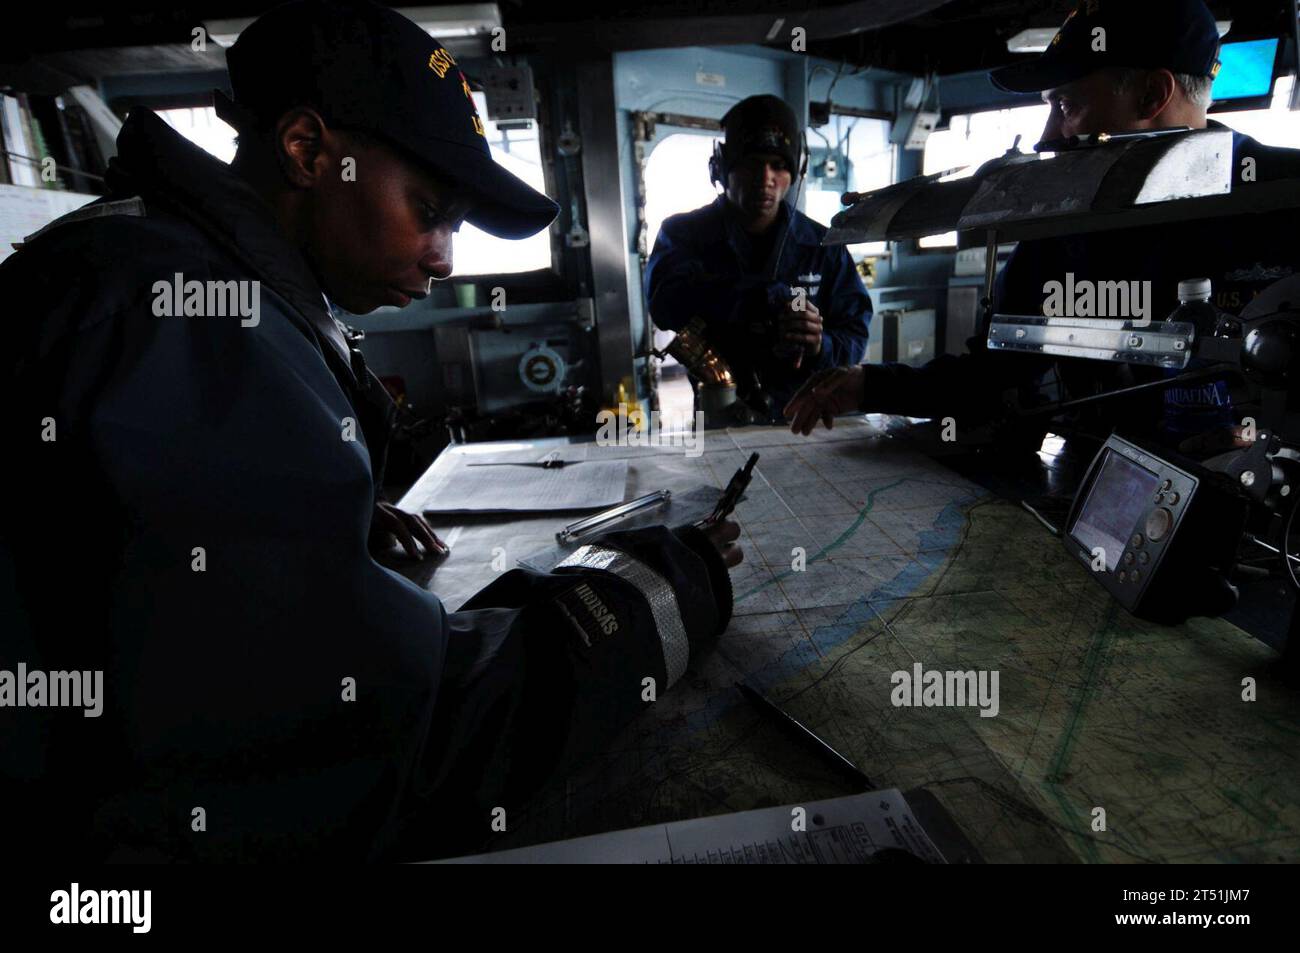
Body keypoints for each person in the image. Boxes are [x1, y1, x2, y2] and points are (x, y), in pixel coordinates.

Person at [0, 0, 742, 862]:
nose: (445, 256)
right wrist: (659, 592)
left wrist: (318, 516)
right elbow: (396, 743)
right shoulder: (185, 322)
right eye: (429, 208)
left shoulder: (147, 260)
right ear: (308, 151)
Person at [785, 0, 1300, 453]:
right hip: (1096, 494)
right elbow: (996, 372)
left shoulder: (1283, 199)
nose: (1046, 137)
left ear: (1150, 96)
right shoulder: (1065, 218)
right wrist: (869, 385)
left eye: (1066, 106)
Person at [645, 94, 872, 422]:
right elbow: (665, 304)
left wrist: (820, 344)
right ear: (722, 168)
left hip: (803, 416)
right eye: (751, 162)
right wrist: (763, 299)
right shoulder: (682, 234)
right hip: (720, 408)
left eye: (778, 165)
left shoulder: (824, 245)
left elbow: (854, 333)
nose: (765, 178)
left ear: (796, 171)